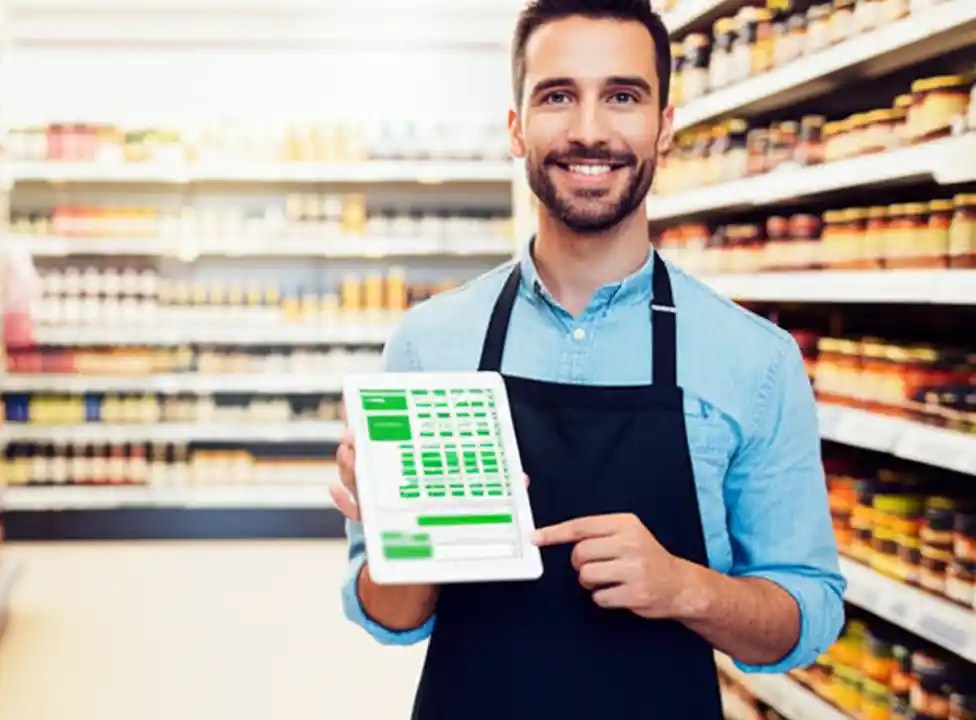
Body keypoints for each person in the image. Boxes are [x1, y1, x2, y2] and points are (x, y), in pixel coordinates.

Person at [329, 0, 846, 716]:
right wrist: (397, 533)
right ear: (516, 128)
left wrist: (684, 586)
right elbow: (392, 616)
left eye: (623, 96)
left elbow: (808, 614)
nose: (589, 130)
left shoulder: (755, 360)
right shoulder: (429, 342)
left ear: (665, 126)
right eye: (557, 95)